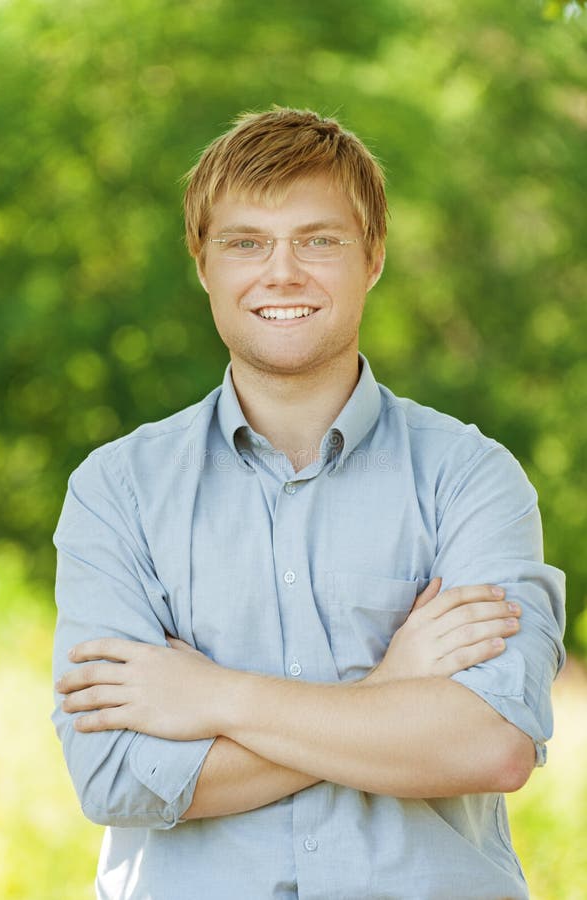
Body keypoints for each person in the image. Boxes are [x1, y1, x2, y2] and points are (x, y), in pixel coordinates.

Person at [52, 107, 565, 900]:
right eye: (246, 242)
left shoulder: (470, 476)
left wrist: (212, 697)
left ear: (373, 258)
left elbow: (489, 744)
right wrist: (388, 694)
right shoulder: (116, 492)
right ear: (203, 264)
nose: (281, 273)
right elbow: (116, 777)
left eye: (318, 240)